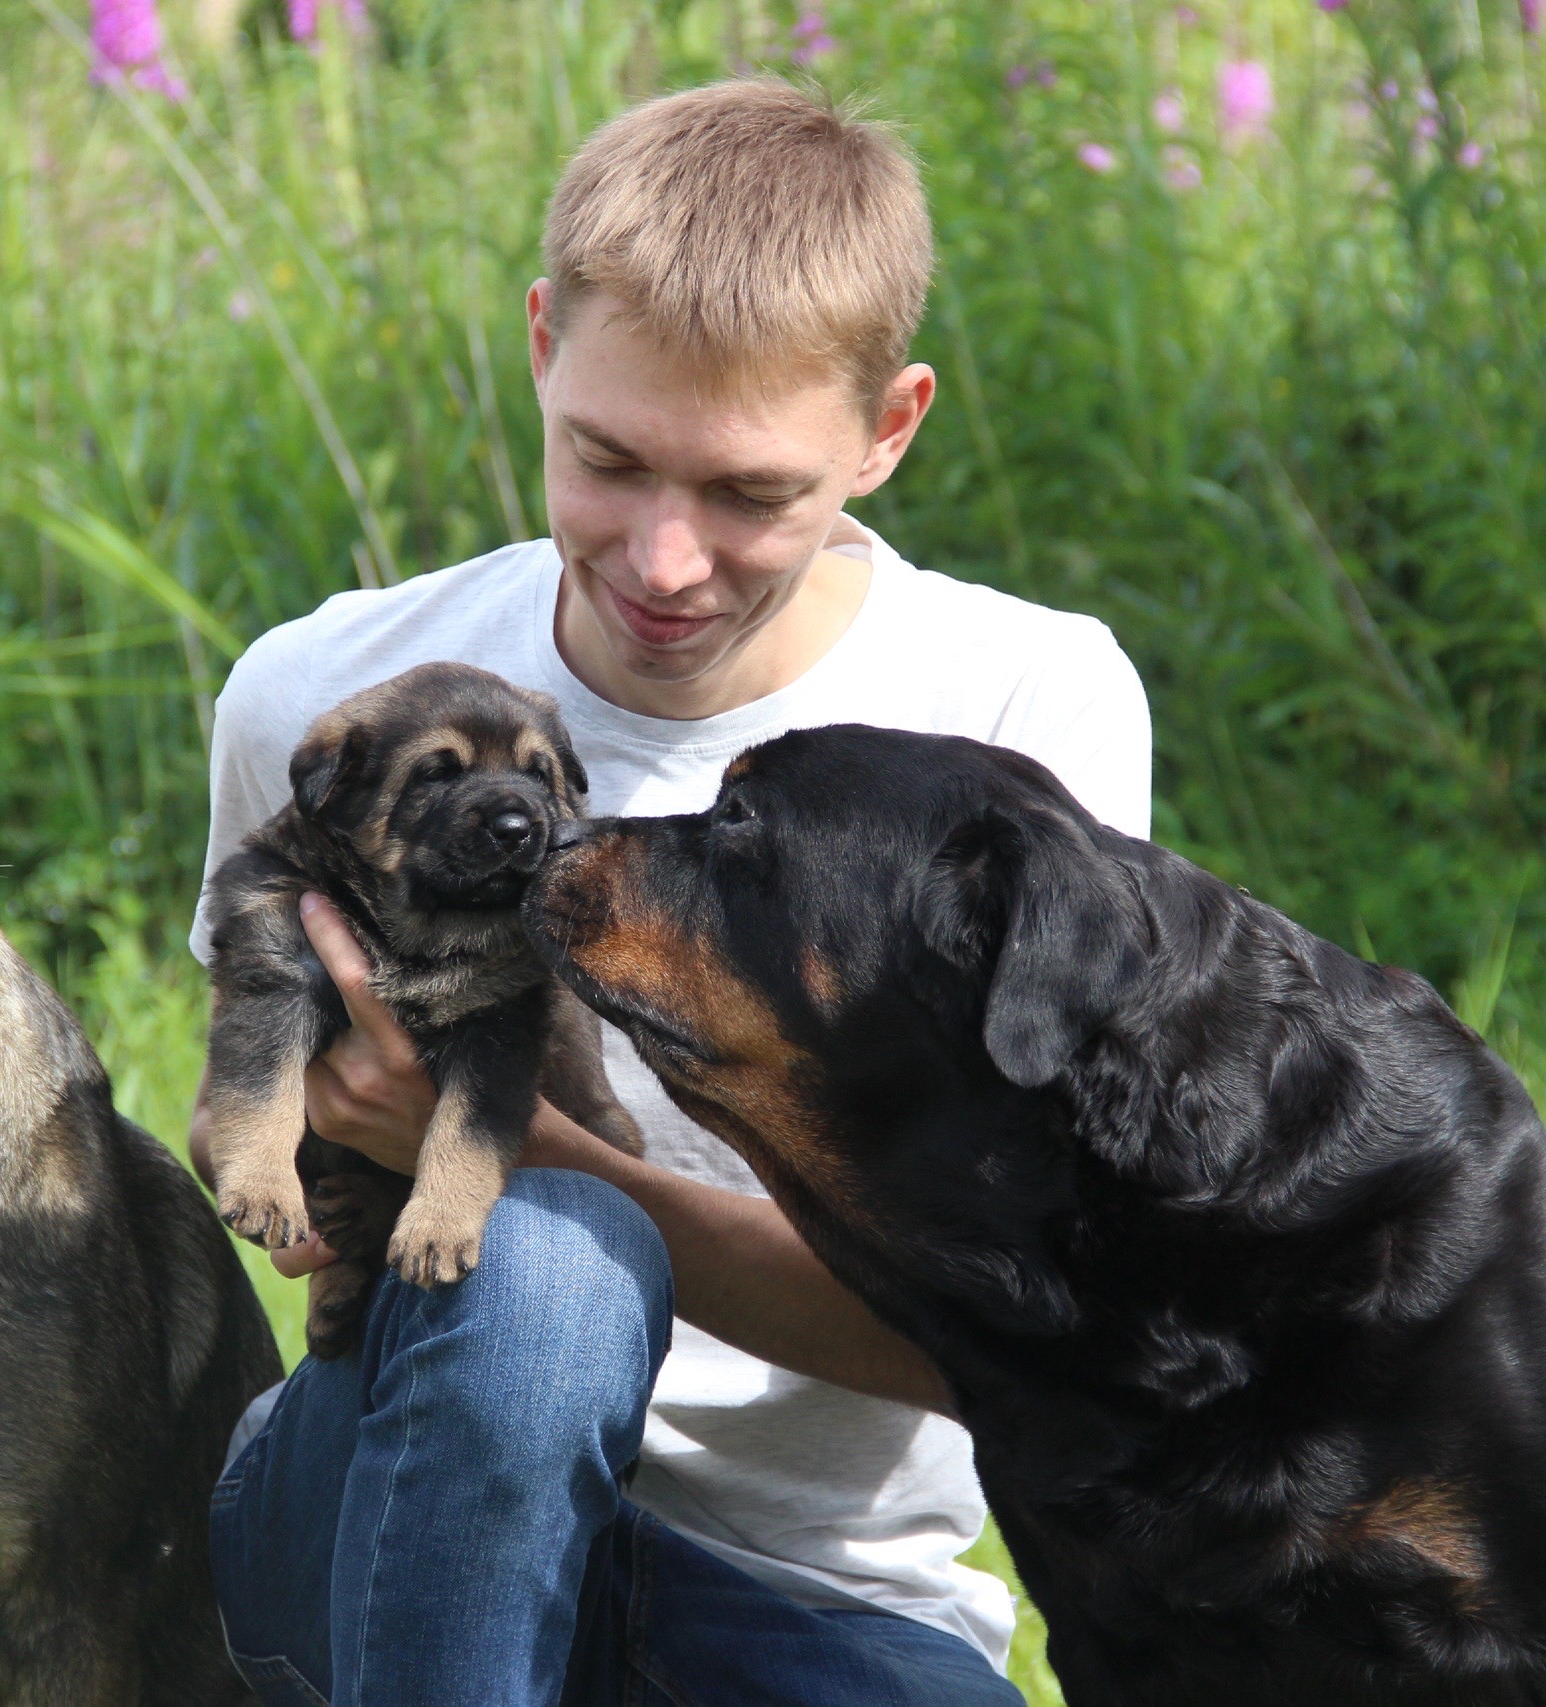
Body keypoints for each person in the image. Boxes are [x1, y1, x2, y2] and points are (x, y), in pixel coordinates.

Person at [191, 78, 1151, 1707]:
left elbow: (1012, 1332)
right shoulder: (326, 703)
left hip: (817, 1591)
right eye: (610, 461)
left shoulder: (1017, 729)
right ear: (542, 344)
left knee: (564, 1225)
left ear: (891, 427)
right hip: (382, 1527)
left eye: (752, 494)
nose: (662, 558)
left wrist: (528, 1148)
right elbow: (266, 1128)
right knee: (545, 1280)